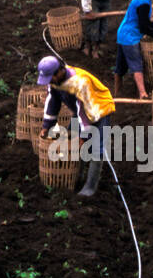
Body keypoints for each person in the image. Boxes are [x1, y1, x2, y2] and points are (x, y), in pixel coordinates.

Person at [37, 55, 116, 197]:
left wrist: (84, 136)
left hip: (99, 108)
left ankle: (90, 187)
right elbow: (53, 101)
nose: (50, 81)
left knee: (95, 148)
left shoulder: (79, 82)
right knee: (70, 140)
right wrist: (46, 125)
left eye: (51, 77)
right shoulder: (55, 81)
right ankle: (75, 175)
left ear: (59, 71)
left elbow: (85, 111)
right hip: (81, 110)